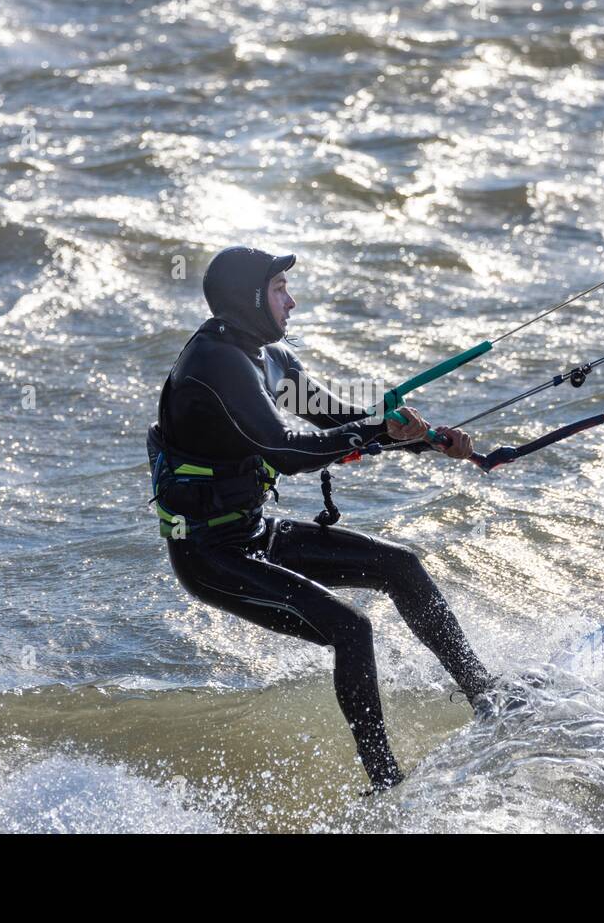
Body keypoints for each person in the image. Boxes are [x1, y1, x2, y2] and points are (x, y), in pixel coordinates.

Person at [147, 245, 497, 791]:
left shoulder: (269, 355)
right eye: (279, 289)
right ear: (248, 299)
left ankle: (489, 699)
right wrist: (380, 432)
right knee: (350, 629)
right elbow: (286, 450)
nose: (293, 301)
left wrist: (427, 438)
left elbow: (337, 418)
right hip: (211, 553)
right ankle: (385, 784)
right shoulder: (215, 363)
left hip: (256, 530)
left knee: (401, 567)